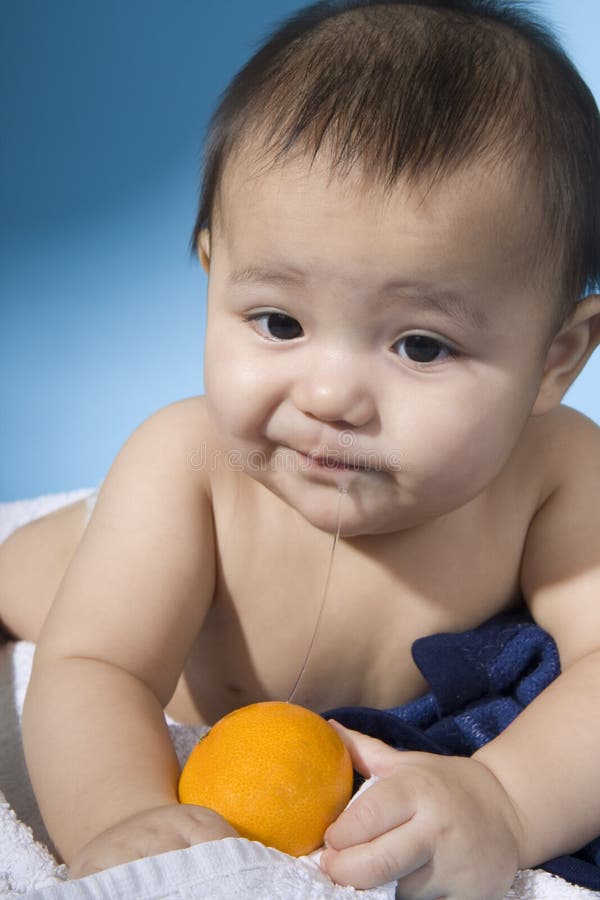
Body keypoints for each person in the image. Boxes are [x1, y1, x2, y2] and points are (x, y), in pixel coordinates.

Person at [1, 0, 600, 896]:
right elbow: (96, 667)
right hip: (67, 578)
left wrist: (503, 800)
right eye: (279, 322)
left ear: (556, 358)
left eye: (421, 345)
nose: (328, 399)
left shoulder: (557, 473)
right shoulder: (187, 464)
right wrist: (125, 818)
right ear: (213, 271)